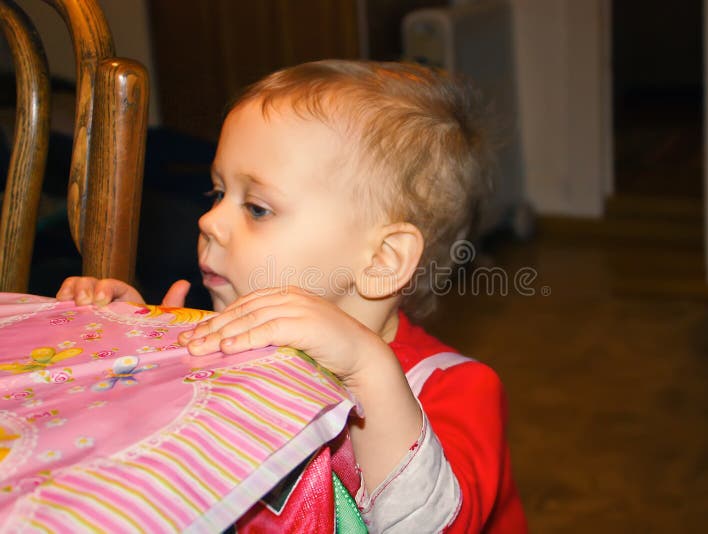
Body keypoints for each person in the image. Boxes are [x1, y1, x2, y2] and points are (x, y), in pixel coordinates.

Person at [56, 60, 526, 532]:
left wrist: (366, 368)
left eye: (257, 208)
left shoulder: (457, 389)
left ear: (382, 260)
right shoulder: (228, 338)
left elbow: (434, 524)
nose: (209, 220)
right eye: (216, 192)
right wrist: (138, 346)